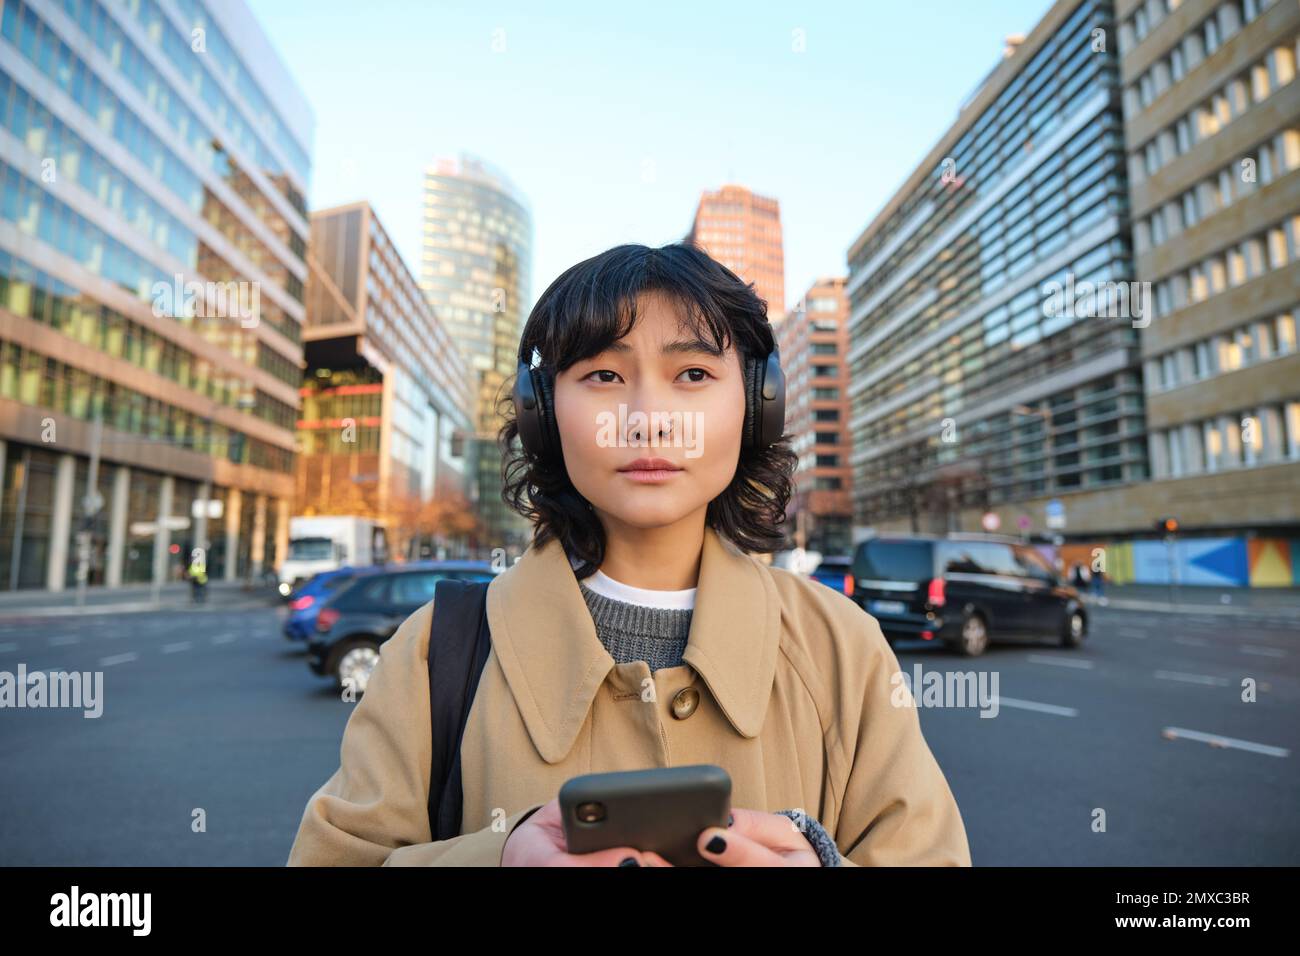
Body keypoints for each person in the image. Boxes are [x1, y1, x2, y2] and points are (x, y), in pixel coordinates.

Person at [287, 241, 972, 867]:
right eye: (605, 376)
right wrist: (496, 860)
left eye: (695, 373)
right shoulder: (437, 650)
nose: (648, 416)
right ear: (543, 414)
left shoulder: (843, 646)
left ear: (758, 405)